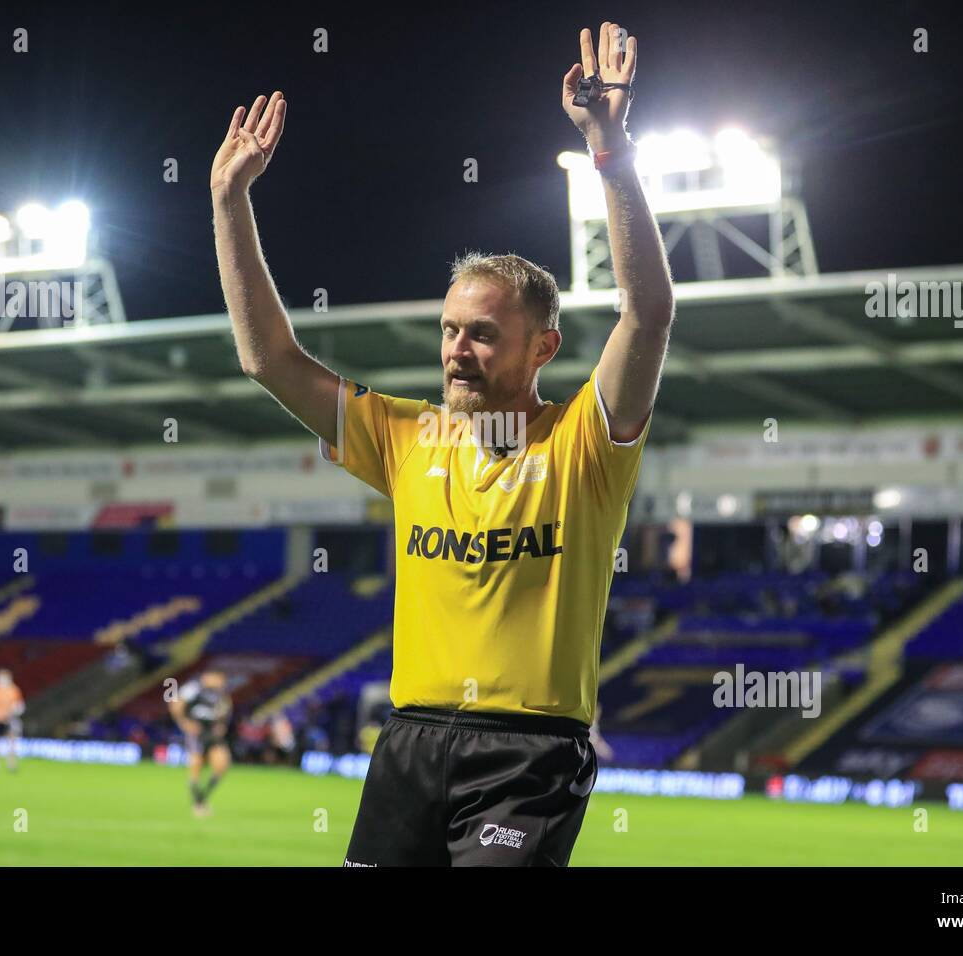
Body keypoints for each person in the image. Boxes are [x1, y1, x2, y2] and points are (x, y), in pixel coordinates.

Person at [212, 19, 671, 866]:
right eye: (450, 330)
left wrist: (612, 150)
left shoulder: (583, 445)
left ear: (543, 347)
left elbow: (646, 314)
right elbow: (267, 358)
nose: (457, 349)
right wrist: (230, 203)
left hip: (528, 754)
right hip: (411, 744)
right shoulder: (406, 437)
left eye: (484, 334)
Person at [169, 669, 232, 816]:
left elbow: (226, 709)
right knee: (196, 764)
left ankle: (202, 798)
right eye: (218, 678)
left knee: (222, 764)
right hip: (196, 731)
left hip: (212, 732)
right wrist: (184, 722)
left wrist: (221, 724)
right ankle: (198, 803)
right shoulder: (194, 688)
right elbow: (176, 703)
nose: (221, 682)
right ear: (207, 676)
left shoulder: (221, 694)